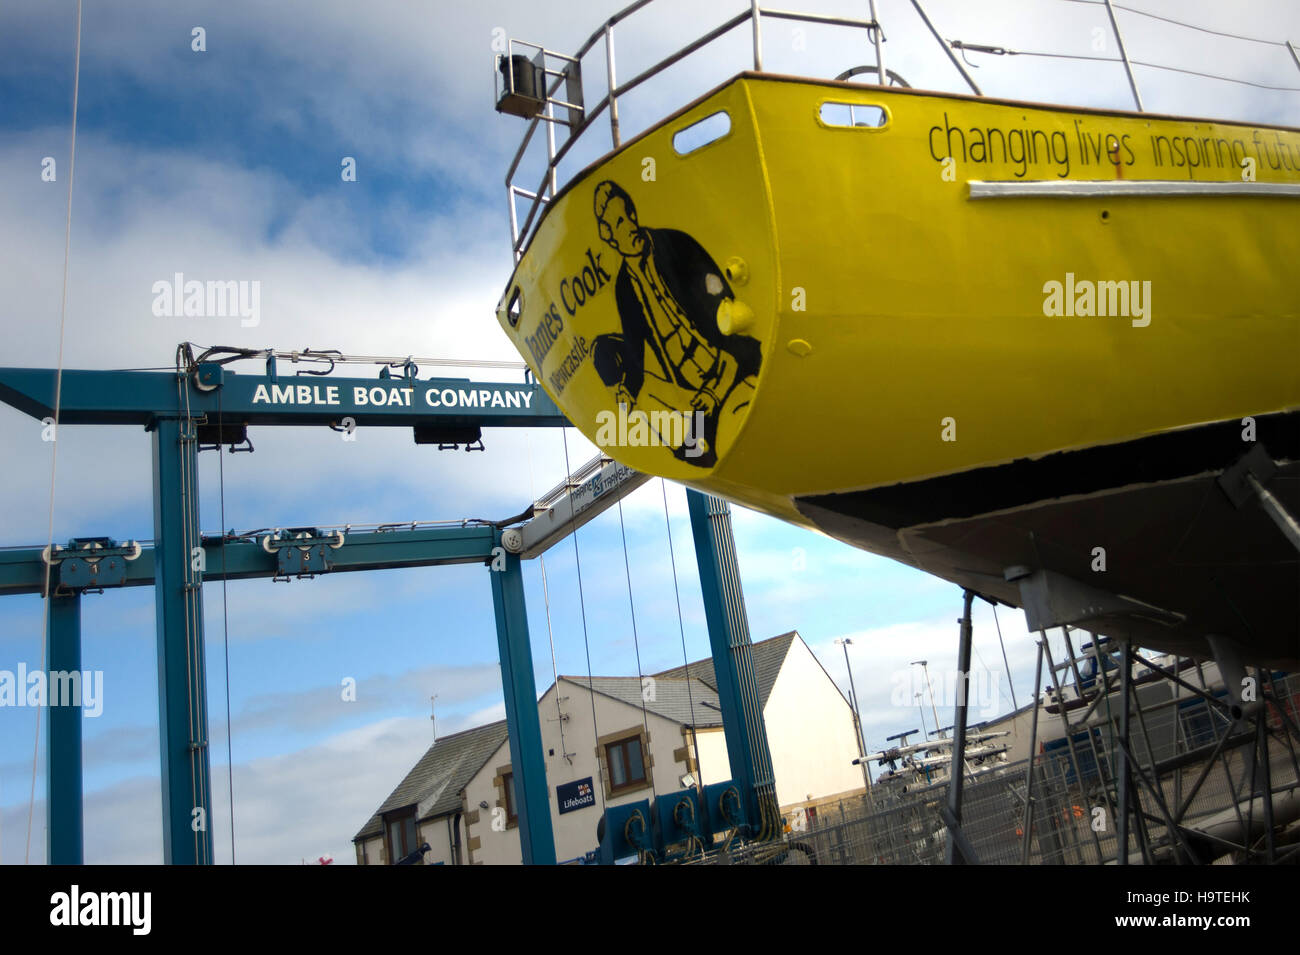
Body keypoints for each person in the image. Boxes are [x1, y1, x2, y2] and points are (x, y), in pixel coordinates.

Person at [590, 179, 761, 468]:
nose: (631, 224)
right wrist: (627, 392)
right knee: (695, 450)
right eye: (620, 222)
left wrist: (715, 389)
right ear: (608, 235)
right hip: (693, 394)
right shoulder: (624, 287)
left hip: (733, 366)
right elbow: (637, 350)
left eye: (630, 214)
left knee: (743, 426)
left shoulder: (675, 244)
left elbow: (724, 306)